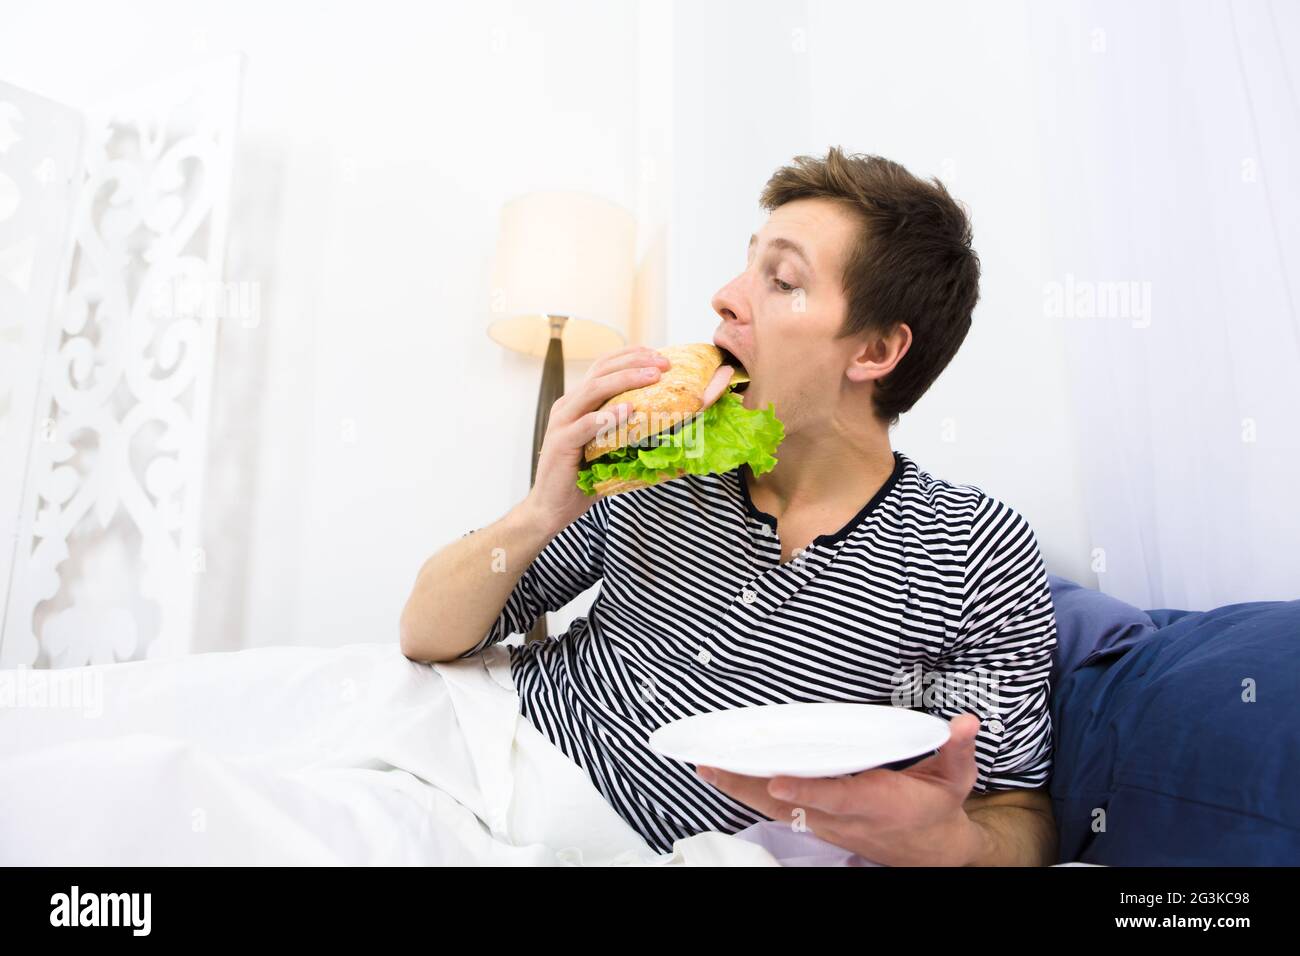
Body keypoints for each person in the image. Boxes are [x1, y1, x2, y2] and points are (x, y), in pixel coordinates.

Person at [401, 146, 1059, 865]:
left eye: (780, 279)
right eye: (747, 265)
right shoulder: (660, 459)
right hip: (482, 749)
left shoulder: (969, 547)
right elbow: (426, 635)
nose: (724, 295)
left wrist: (952, 843)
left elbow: (1014, 808)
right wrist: (541, 509)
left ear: (873, 351)